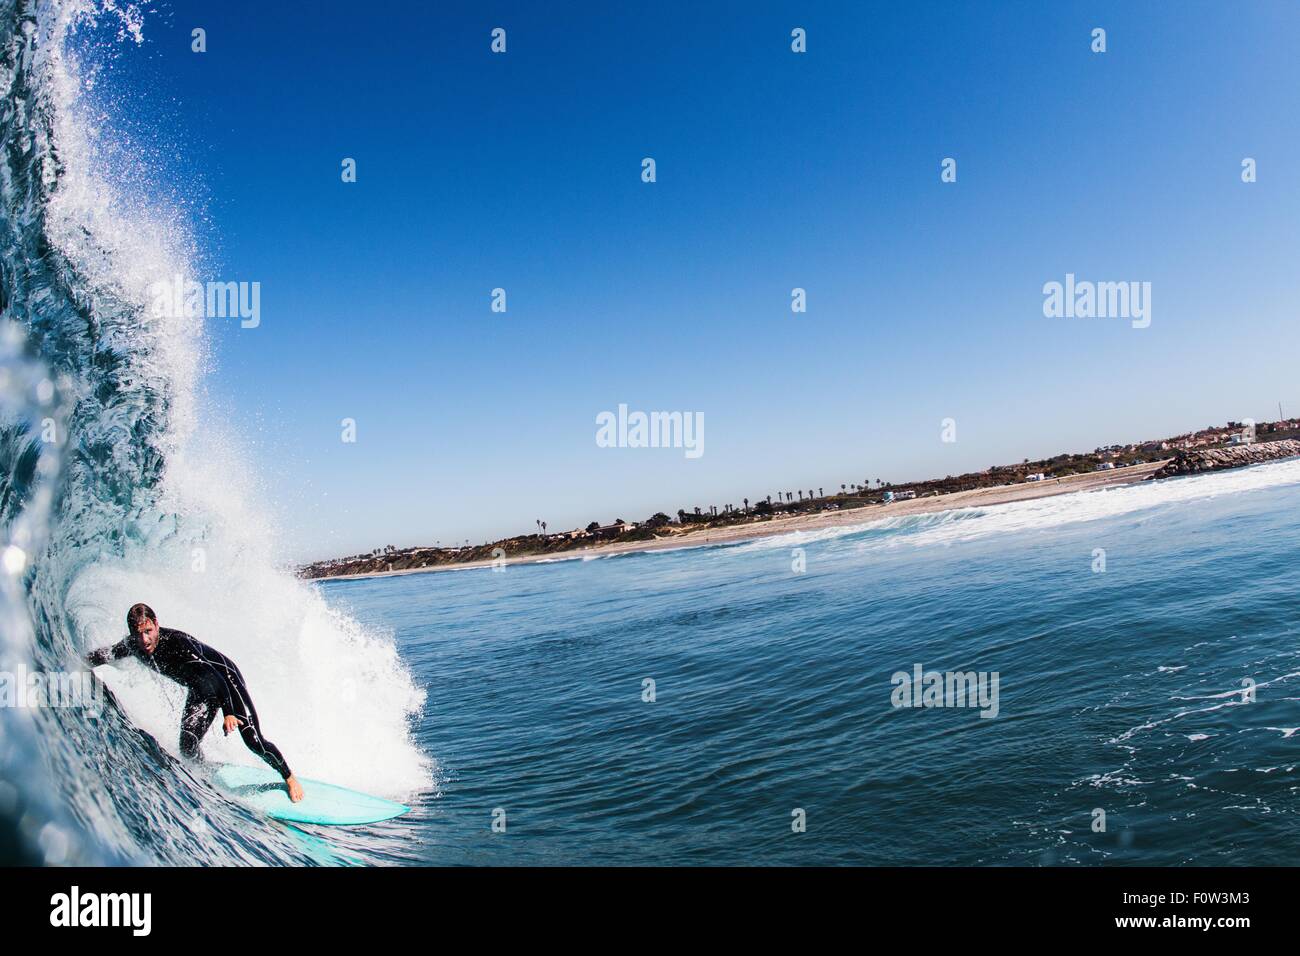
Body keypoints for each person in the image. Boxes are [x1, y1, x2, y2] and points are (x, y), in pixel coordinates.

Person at [87, 603, 304, 802]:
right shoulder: (134, 646)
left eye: (148, 631)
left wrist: (229, 712)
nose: (144, 640)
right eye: (138, 634)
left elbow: (215, 675)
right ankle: (205, 772)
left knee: (253, 740)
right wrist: (81, 661)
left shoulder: (179, 644)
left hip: (227, 681)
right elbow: (109, 653)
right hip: (201, 689)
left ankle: (289, 777)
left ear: (157, 625)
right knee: (187, 745)